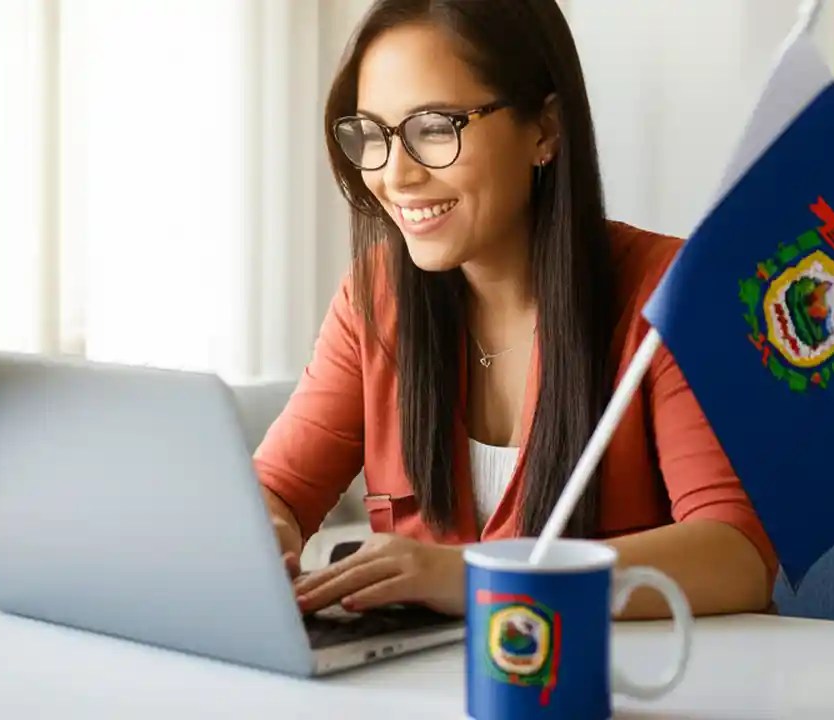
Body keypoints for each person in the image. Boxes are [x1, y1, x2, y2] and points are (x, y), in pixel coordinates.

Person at [254, 0, 777, 620]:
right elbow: (273, 493)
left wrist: (478, 580)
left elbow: (736, 557)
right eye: (372, 133)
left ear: (544, 130)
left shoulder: (666, 294)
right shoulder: (375, 301)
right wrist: (266, 540)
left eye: (434, 128)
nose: (395, 175)